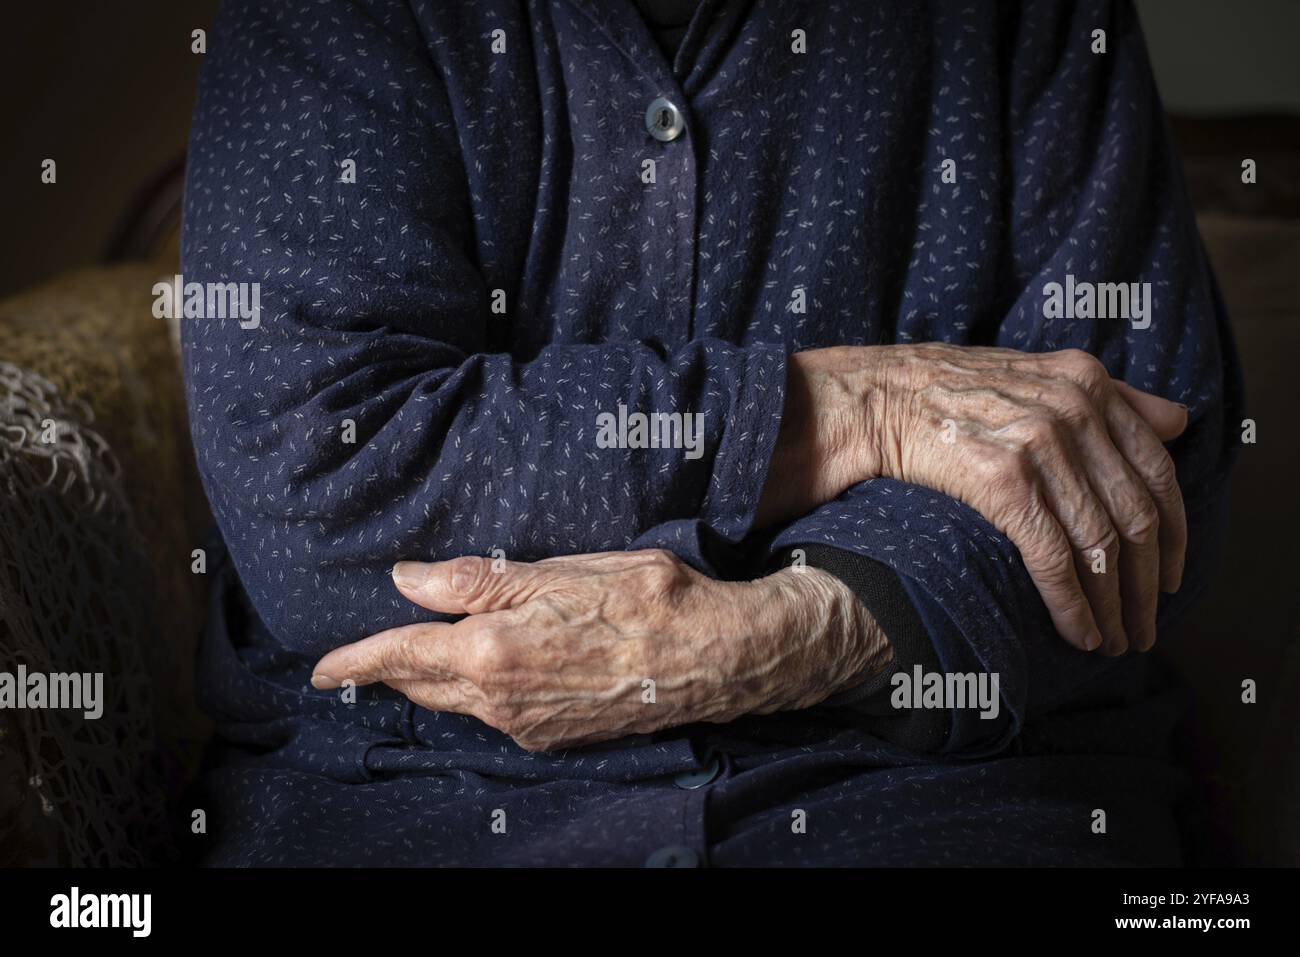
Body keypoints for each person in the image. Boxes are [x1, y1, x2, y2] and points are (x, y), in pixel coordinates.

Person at [180, 0, 1242, 866]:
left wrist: (787, 635)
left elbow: (1139, 459)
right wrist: (852, 407)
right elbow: (322, 489)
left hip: (934, 786)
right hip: (416, 789)